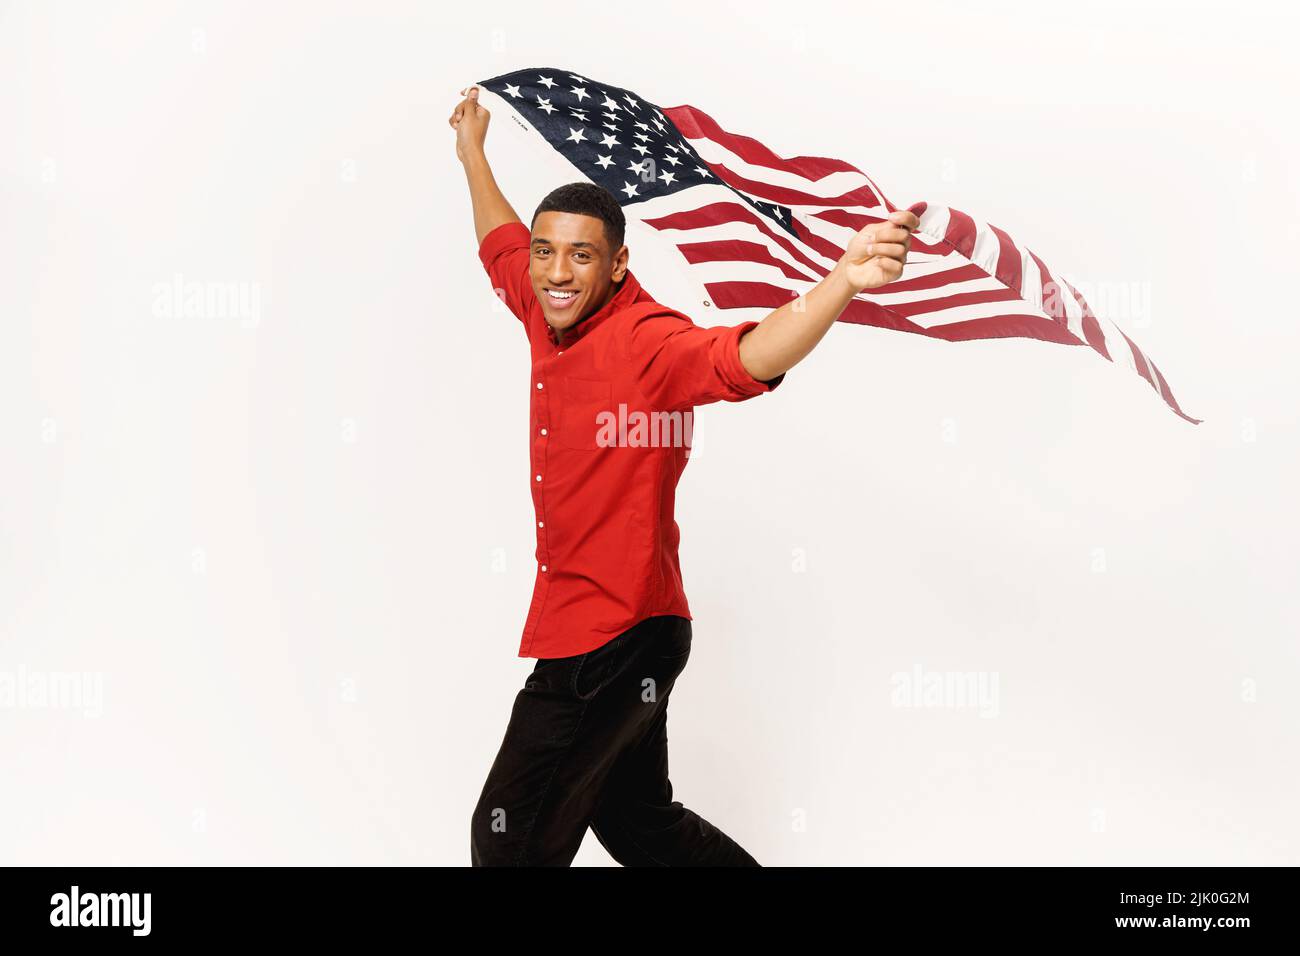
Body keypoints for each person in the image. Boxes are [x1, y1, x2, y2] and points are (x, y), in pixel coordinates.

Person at [449, 85, 918, 866]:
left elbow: (747, 356)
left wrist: (841, 281)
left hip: (614, 638)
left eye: (581, 255)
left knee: (507, 839)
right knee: (639, 824)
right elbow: (499, 240)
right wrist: (473, 152)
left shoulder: (647, 343)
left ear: (619, 261)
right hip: (630, 629)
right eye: (546, 251)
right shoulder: (541, 301)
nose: (557, 272)